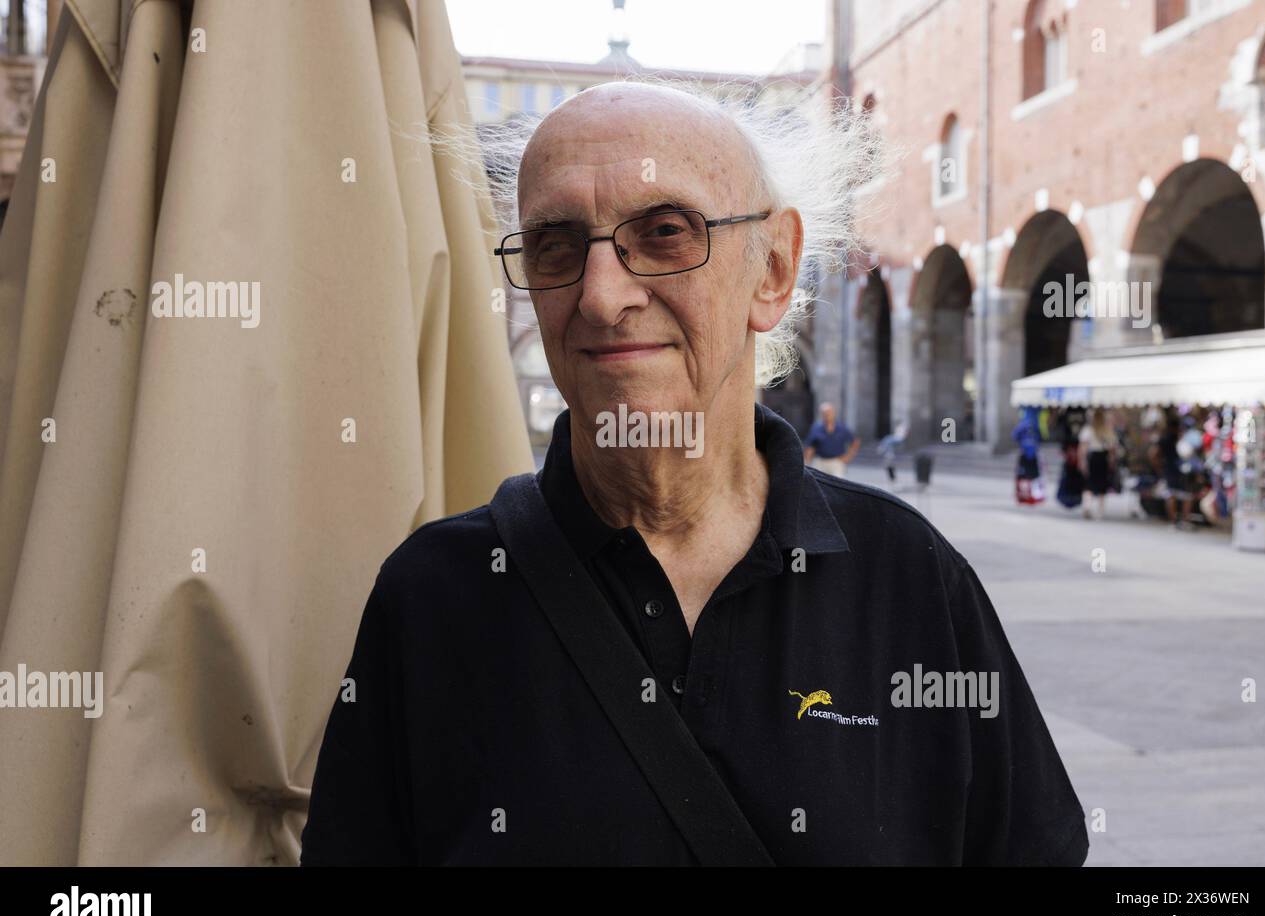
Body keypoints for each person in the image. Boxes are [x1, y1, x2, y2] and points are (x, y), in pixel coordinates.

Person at [300, 80, 1086, 866]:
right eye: (555, 245)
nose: (602, 297)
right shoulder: (433, 596)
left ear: (774, 269)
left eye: (666, 231)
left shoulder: (910, 578)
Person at [1153, 412, 1194, 529]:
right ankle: (1185, 520)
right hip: (1182, 470)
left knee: (1171, 495)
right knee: (1186, 495)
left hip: (1169, 469)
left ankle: (1173, 521)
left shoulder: (1164, 439)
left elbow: (1154, 454)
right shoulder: (1182, 439)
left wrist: (1159, 467)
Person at [1077, 409, 1118, 519]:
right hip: (1103, 459)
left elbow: (1083, 448)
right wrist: (1111, 461)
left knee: (1089, 484)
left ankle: (1087, 506)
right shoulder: (1107, 430)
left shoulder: (1088, 430)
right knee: (1101, 486)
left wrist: (1082, 461)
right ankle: (1100, 511)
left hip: (1093, 457)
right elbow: (1112, 449)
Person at [803, 401, 860, 478]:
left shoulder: (842, 427)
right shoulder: (816, 428)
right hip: (820, 461)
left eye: (829, 412)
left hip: (836, 461)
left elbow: (855, 441)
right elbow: (810, 446)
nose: (827, 415)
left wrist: (848, 456)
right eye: (825, 413)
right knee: (818, 483)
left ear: (834, 413)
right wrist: (807, 462)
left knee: (838, 483)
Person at [1012, 407, 1044, 505]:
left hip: (1026, 454)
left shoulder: (1023, 425)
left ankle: (1024, 496)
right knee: (1033, 476)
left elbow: (1014, 436)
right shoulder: (1035, 424)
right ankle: (1033, 495)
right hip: (1032, 453)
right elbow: (1040, 437)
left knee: (1024, 476)